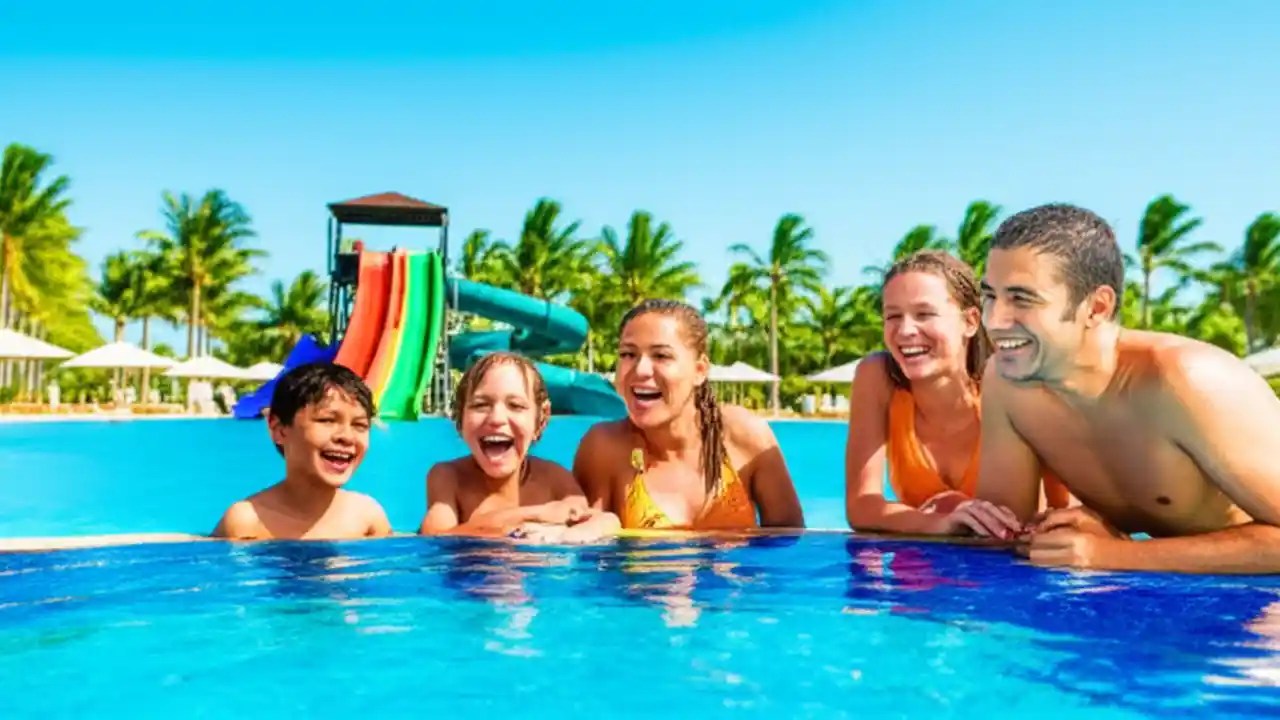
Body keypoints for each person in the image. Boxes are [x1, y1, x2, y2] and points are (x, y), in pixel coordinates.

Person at [964, 202, 1280, 574]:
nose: (994, 320)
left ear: (1096, 308)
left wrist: (1110, 555)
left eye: (1021, 299)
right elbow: (1005, 536)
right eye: (989, 296)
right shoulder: (1006, 382)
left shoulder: (1184, 382)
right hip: (1168, 593)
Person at [845, 250, 1072, 537]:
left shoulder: (1018, 386)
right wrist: (940, 523)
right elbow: (861, 506)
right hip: (924, 570)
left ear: (970, 321)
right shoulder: (878, 378)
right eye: (893, 316)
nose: (905, 330)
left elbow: (1067, 509)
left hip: (1011, 571)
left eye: (924, 314)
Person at [574, 298, 804, 530]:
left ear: (699, 370)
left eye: (661, 356)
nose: (640, 370)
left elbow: (790, 546)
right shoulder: (604, 448)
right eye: (628, 354)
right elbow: (587, 555)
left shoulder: (744, 435)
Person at [419, 351, 621, 542]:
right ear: (460, 418)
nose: (496, 419)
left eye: (515, 406)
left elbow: (593, 520)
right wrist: (536, 514)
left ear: (541, 420)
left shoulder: (555, 480)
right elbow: (436, 538)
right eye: (481, 405)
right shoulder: (448, 478)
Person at [212, 362, 392, 541]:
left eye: (360, 425)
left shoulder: (368, 519)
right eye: (327, 420)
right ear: (279, 429)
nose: (346, 437)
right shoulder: (248, 522)